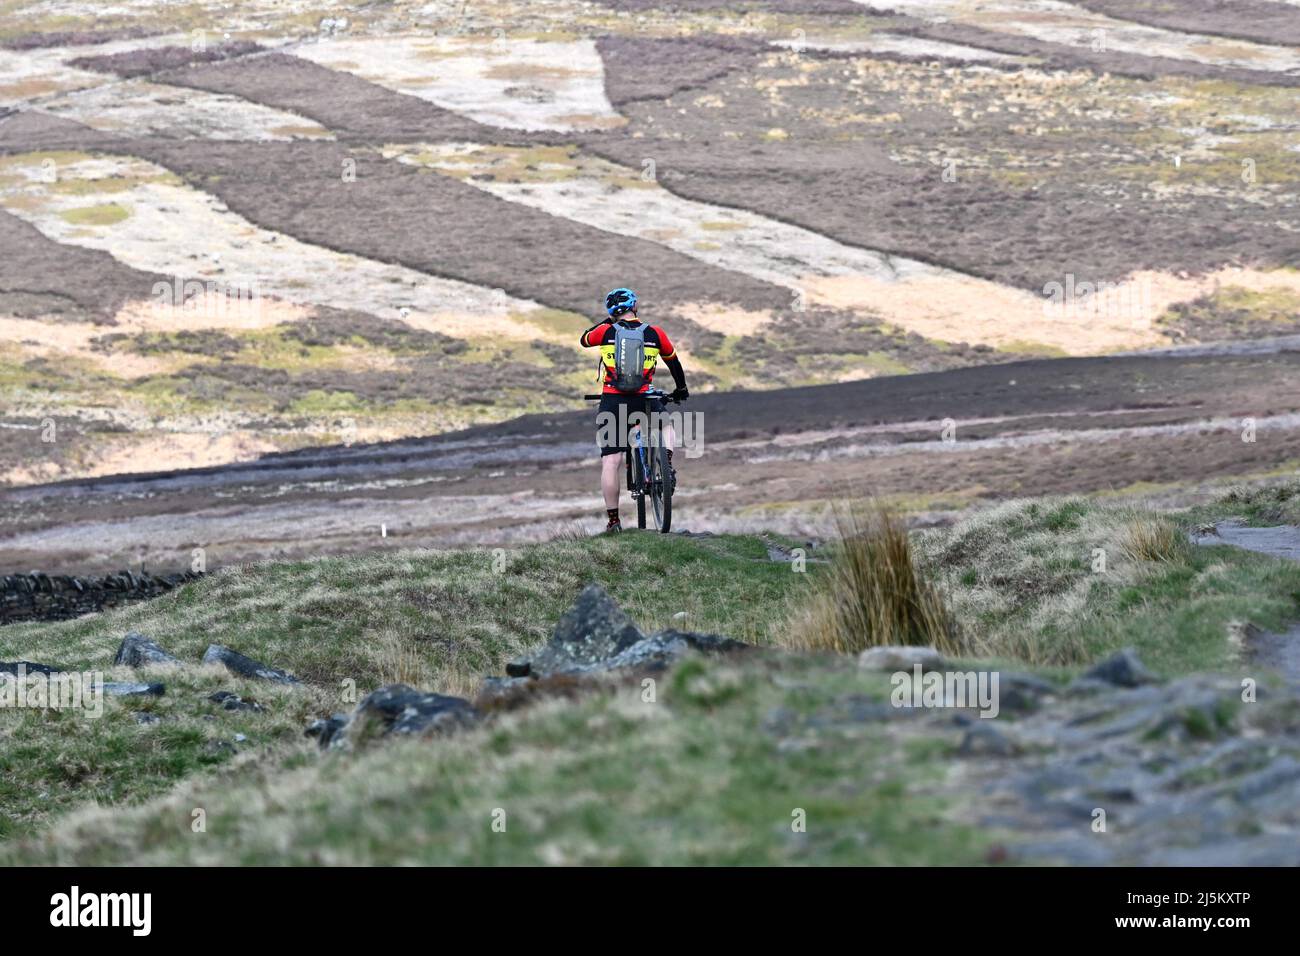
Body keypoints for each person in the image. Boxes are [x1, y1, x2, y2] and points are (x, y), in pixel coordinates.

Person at [580, 288, 689, 533]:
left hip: (613, 401)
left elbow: (584, 339)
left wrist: (608, 321)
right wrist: (681, 389)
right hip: (645, 398)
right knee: (666, 425)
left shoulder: (605, 331)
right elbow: (674, 363)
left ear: (611, 311)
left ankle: (613, 521)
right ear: (635, 306)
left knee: (611, 461)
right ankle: (666, 465)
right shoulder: (654, 333)